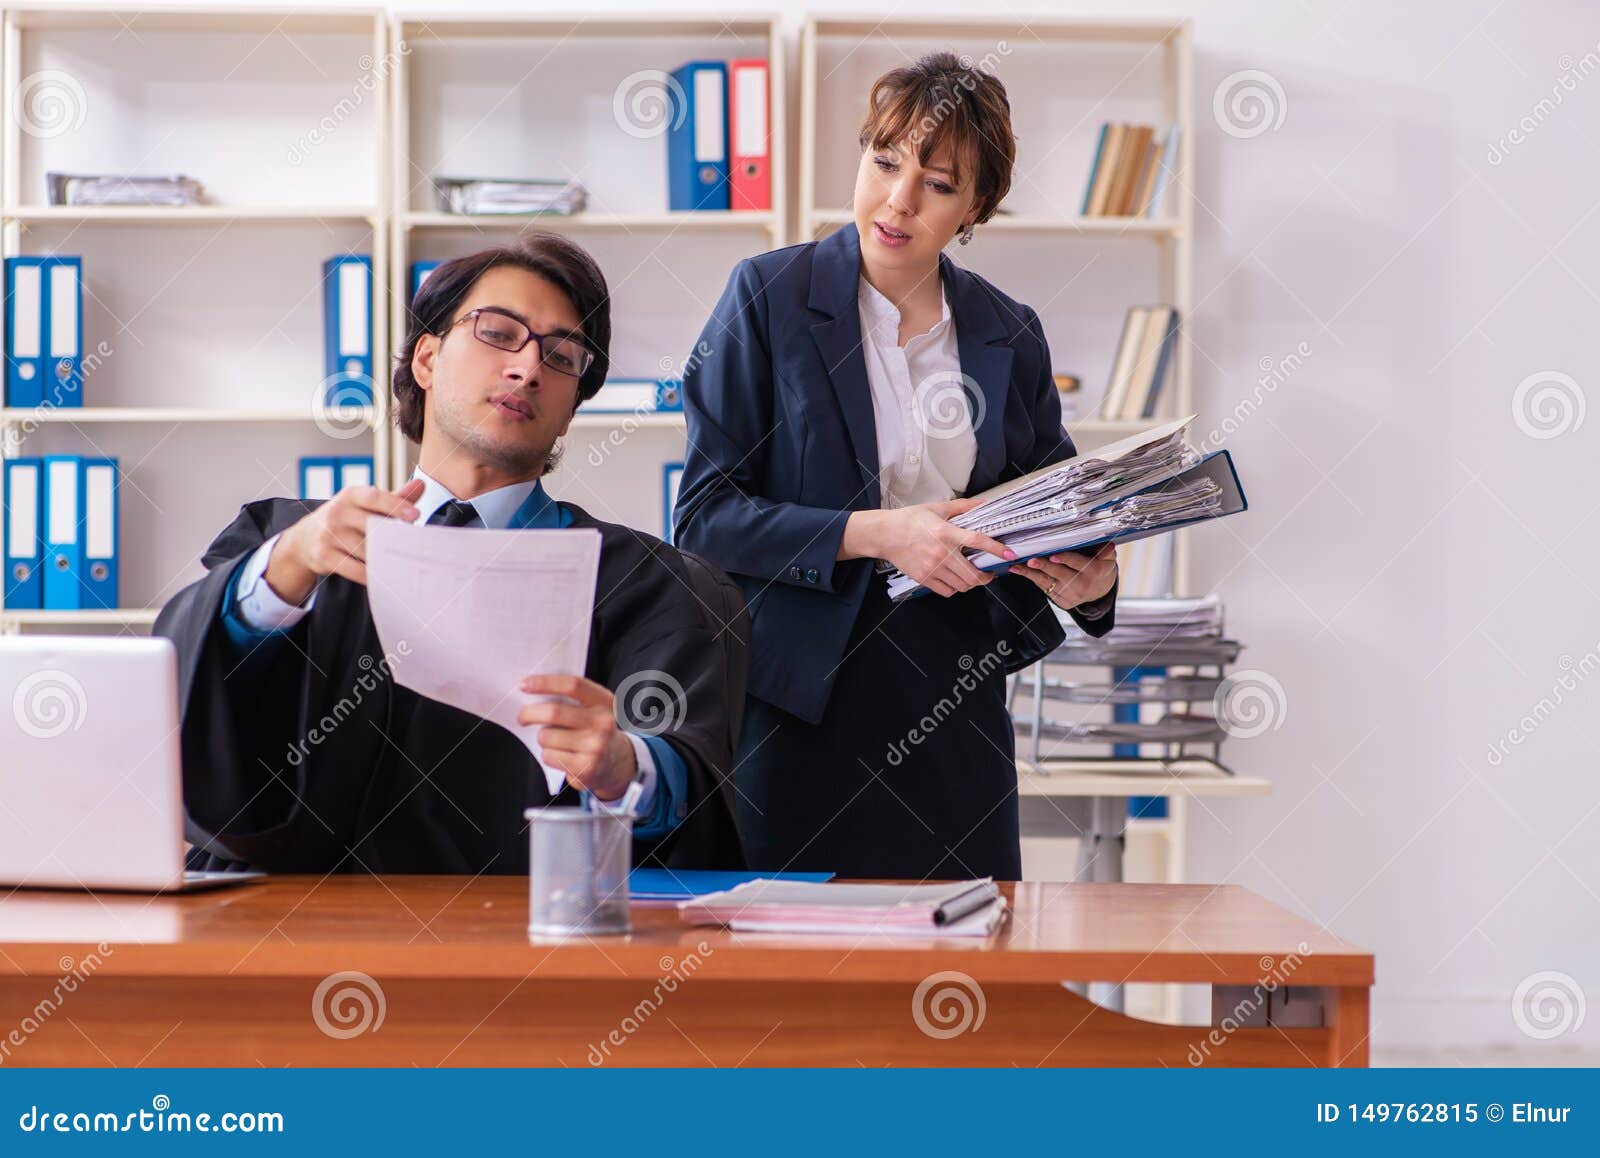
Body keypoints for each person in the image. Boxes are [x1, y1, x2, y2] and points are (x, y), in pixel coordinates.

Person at [157, 235, 745, 874]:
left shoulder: (651, 584)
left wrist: (623, 768)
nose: (528, 369)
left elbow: (692, 786)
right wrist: (284, 572)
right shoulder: (292, 547)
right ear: (427, 359)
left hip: (525, 949)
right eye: (498, 333)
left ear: (571, 408)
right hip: (284, 939)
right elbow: (185, 704)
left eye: (562, 356)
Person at [674, 53, 1119, 881]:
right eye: (885, 162)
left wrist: (1091, 587)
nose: (899, 200)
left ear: (976, 205)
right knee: (791, 988)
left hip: (955, 711)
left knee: (970, 971)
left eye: (939, 183)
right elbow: (705, 516)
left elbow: (1058, 503)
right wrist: (883, 534)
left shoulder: (1007, 331)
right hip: (795, 709)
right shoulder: (768, 297)